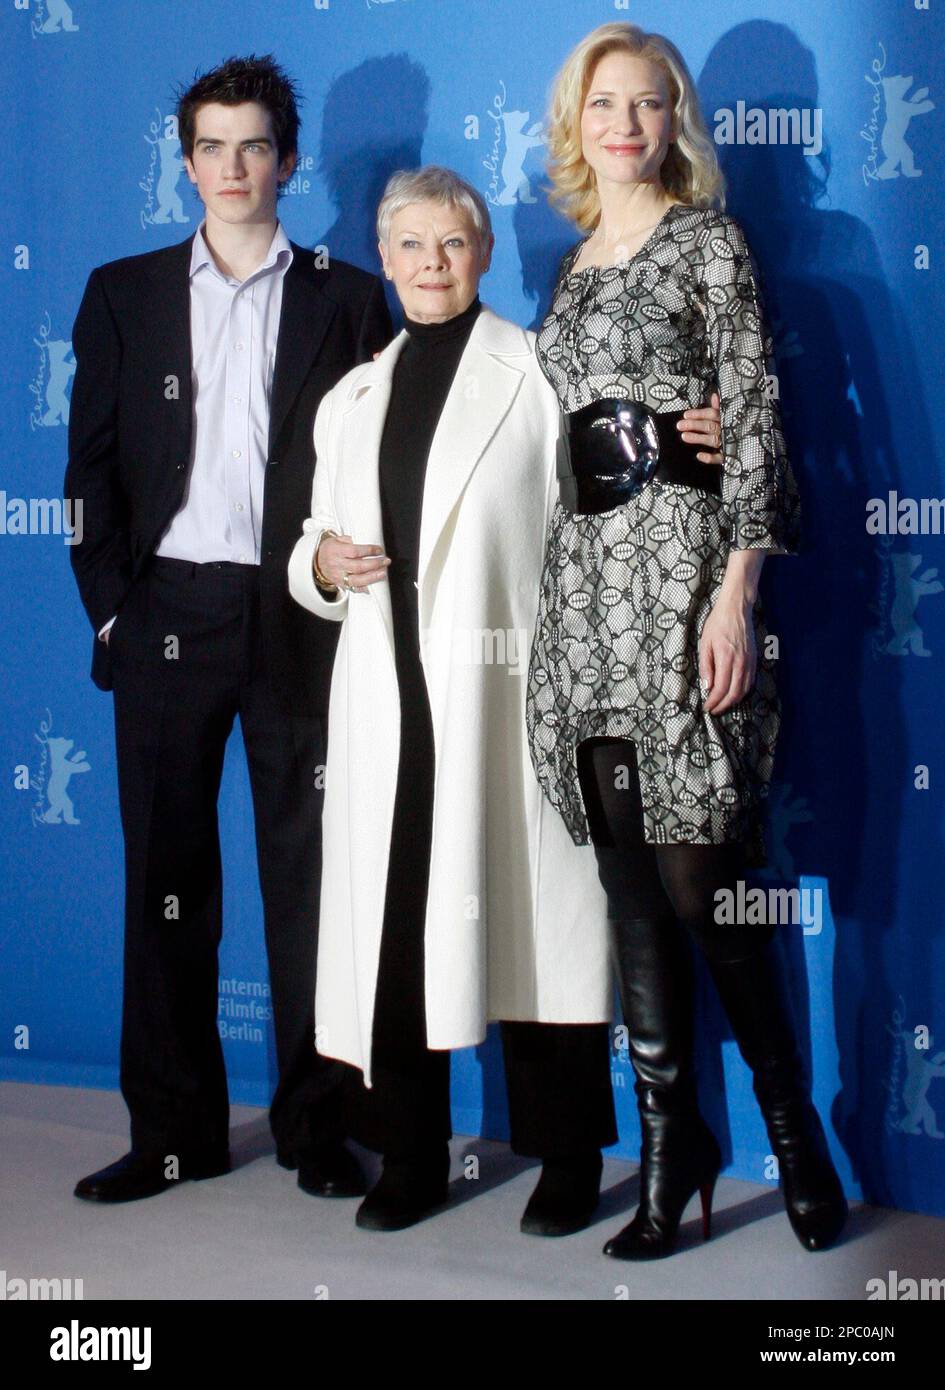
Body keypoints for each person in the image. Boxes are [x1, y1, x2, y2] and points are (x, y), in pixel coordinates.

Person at [288, 164, 726, 1235]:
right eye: (410, 248)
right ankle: (410, 1154)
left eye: (451, 245)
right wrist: (325, 565)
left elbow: (610, 476)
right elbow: (307, 548)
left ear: (482, 255)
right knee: (396, 936)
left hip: (511, 699)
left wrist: (685, 437)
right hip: (388, 710)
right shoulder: (349, 401)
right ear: (383, 260)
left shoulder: (535, 371)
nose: (431, 266)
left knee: (537, 929)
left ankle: (568, 1156)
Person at [526, 22, 848, 1258]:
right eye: (604, 104)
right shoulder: (563, 268)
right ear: (578, 120)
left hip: (681, 585)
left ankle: (789, 1125)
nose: (624, 124)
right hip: (585, 597)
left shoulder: (711, 245)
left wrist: (738, 590)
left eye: (647, 104)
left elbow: (754, 415)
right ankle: (671, 1147)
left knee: (700, 879)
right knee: (627, 891)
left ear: (675, 121)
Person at [65, 55, 392, 1204]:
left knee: (310, 885)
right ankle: (172, 1132)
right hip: (166, 613)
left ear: (288, 161)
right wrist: (114, 607)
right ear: (188, 161)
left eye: (255, 145)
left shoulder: (347, 297)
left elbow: (375, 464)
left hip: (297, 612)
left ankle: (318, 1130)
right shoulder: (124, 291)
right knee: (165, 880)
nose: (234, 167)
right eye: (212, 146)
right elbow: (90, 470)